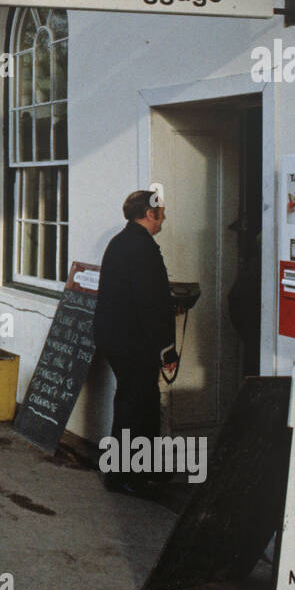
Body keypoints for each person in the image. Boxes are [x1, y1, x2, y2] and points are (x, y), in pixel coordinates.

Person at [93, 189, 181, 494]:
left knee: (139, 401)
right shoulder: (142, 247)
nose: (164, 218)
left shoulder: (121, 242)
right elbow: (151, 305)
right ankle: (124, 477)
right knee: (136, 405)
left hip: (117, 337)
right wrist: (166, 350)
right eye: (161, 213)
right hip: (134, 341)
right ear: (148, 214)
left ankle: (143, 470)